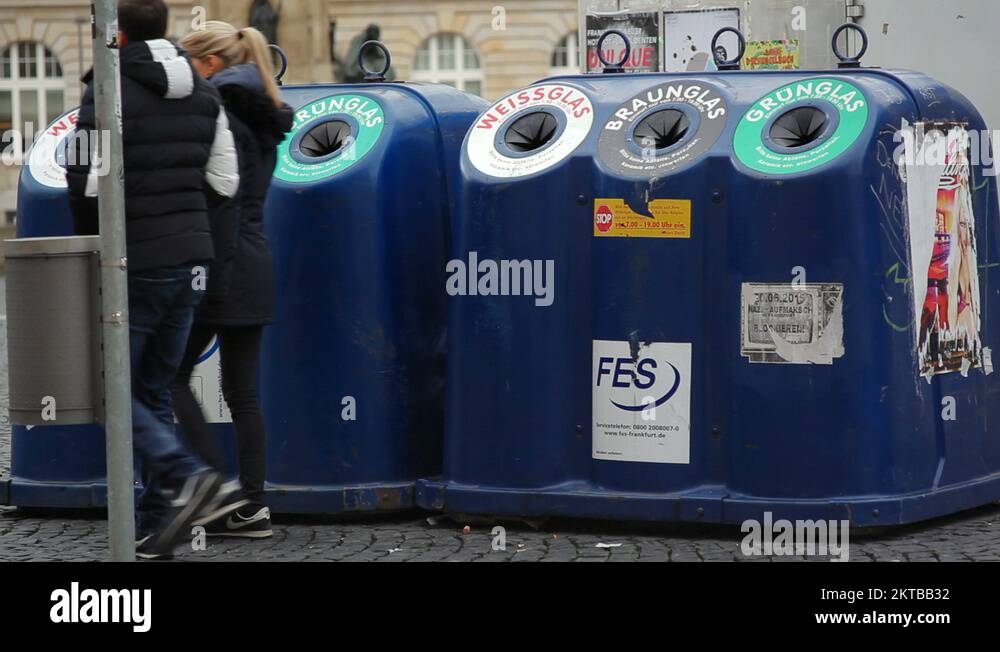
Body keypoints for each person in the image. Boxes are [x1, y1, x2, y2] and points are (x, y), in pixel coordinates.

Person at [66, 0, 243, 559]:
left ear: (115, 31)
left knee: (110, 388)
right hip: (192, 259)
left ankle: (186, 474)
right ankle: (155, 526)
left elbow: (87, 183)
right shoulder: (204, 87)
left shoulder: (108, 88)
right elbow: (226, 180)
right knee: (153, 390)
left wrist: (97, 239)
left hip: (133, 263)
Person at [173, 21, 293, 538]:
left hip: (222, 258)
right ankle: (253, 503)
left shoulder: (218, 108)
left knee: (168, 374)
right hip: (255, 258)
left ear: (211, 62)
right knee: (243, 394)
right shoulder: (263, 109)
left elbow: (211, 190)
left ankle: (206, 486)